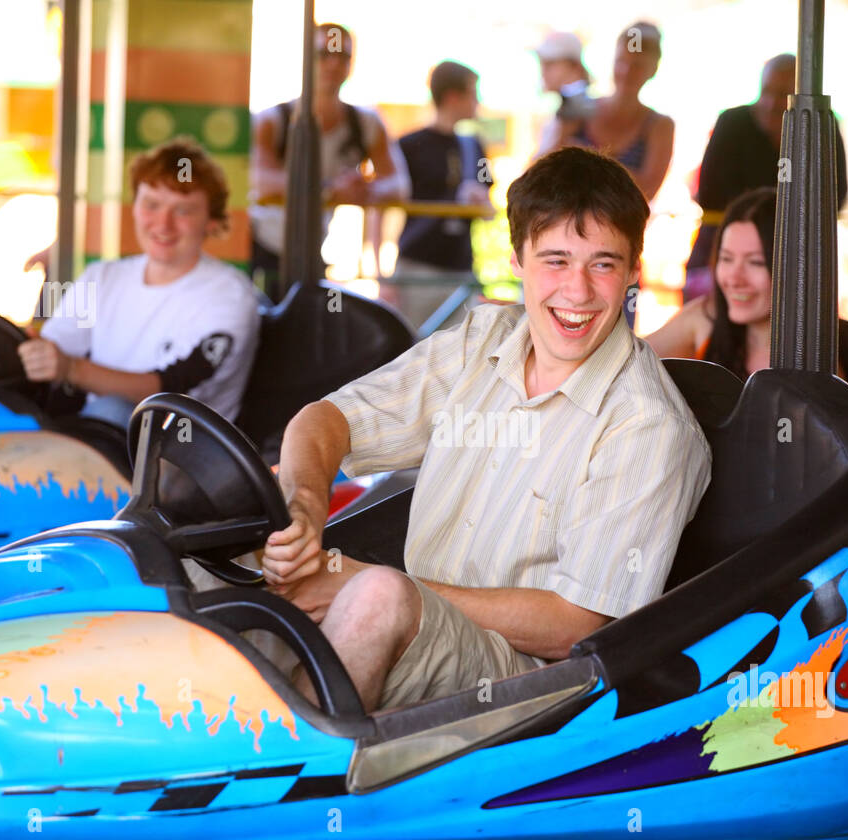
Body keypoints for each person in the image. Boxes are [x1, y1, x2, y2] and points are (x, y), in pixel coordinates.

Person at [261, 147, 710, 713]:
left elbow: (580, 624)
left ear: (632, 271)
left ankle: (295, 787)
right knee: (217, 567)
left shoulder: (648, 427)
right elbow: (327, 419)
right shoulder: (483, 339)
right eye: (555, 260)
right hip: (416, 625)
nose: (577, 292)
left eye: (602, 263)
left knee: (375, 595)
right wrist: (303, 509)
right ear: (517, 259)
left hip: (527, 687)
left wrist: (361, 586)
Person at [0, 137, 260, 428]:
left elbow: (168, 389)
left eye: (182, 211)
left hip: (185, 450)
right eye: (152, 204)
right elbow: (41, 354)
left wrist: (72, 369)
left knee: (113, 411)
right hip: (104, 439)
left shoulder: (230, 297)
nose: (163, 224)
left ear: (212, 222)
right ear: (135, 207)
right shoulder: (103, 277)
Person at [249, 22, 409, 301]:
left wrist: (361, 190)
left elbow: (398, 185)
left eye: (343, 56)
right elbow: (261, 182)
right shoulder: (272, 120)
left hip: (311, 252)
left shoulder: (366, 124)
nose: (333, 64)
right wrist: (329, 190)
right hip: (259, 251)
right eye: (324, 54)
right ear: (306, 61)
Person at [682, 54, 848, 302]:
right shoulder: (732, 122)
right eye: (766, 92)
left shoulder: (821, 125)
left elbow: (835, 196)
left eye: (783, 94)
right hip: (724, 245)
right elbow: (709, 192)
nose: (771, 103)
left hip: (795, 255)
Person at [387, 61, 494, 326]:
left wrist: (479, 201)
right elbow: (386, 205)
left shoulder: (474, 146)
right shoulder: (409, 145)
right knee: (412, 353)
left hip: (460, 268)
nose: (477, 102)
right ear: (452, 97)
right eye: (473, 93)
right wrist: (384, 276)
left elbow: (488, 201)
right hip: (418, 267)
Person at [648, 188, 776, 379]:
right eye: (726, 259)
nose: (734, 279)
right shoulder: (704, 319)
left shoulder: (828, 348)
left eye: (756, 262)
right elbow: (618, 365)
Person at [539, 22, 674, 203]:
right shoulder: (579, 108)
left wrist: (582, 154)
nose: (626, 72)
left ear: (653, 69)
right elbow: (543, 168)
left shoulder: (659, 125)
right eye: (621, 62)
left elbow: (647, 191)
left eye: (637, 65)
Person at [533, 31, 594, 127]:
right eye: (542, 64)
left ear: (575, 67)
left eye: (550, 64)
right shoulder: (564, 108)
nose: (544, 72)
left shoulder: (578, 111)